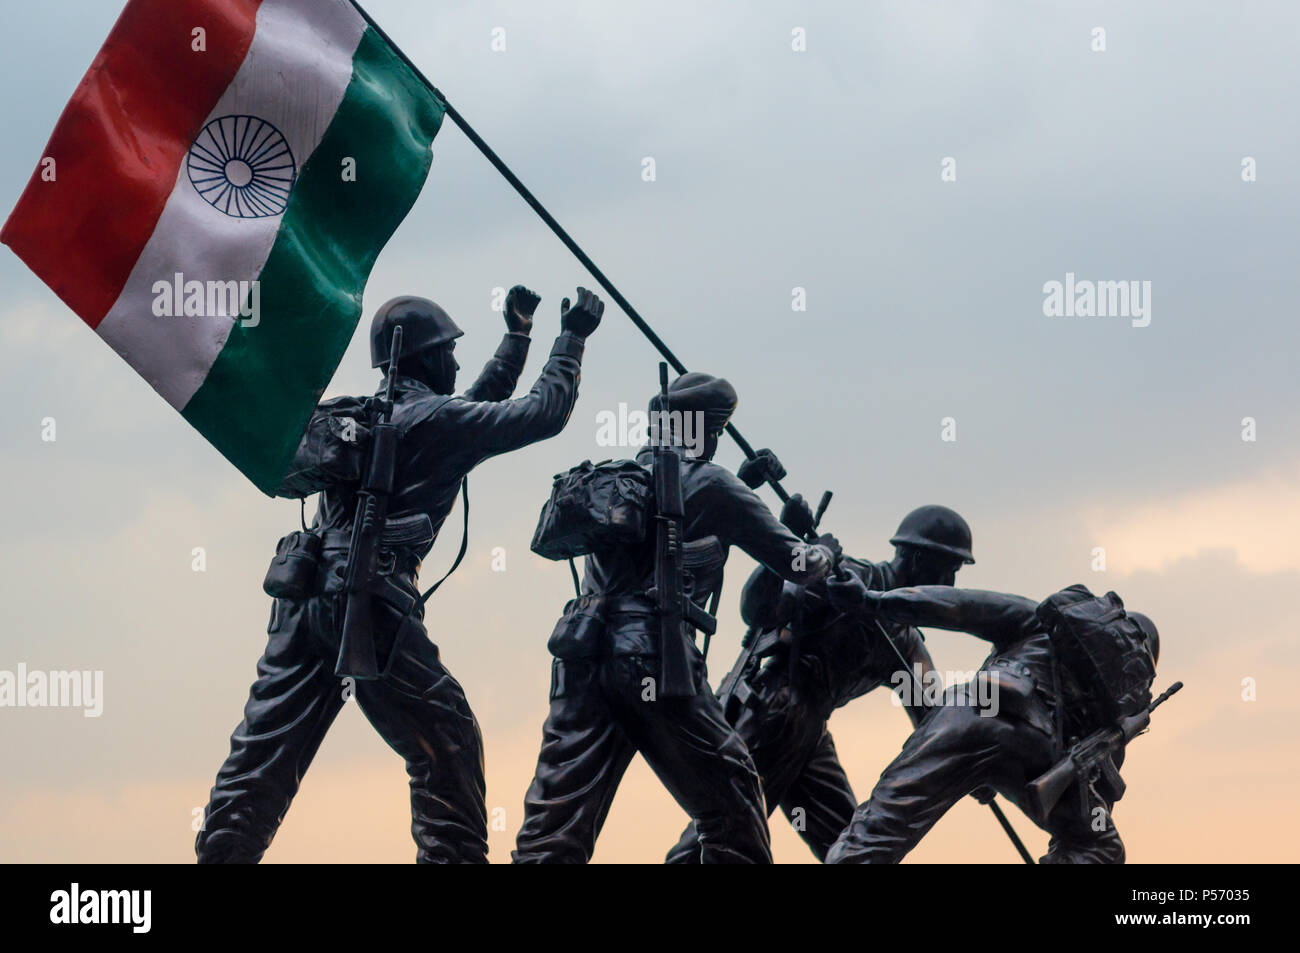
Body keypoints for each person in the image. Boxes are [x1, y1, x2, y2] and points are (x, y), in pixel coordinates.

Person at [196, 286, 604, 863]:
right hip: (371, 599)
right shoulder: (438, 420)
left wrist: (518, 338)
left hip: (305, 598)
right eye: (450, 351)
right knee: (448, 744)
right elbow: (542, 414)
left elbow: (477, 403)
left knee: (262, 756)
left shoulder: (365, 415)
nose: (457, 362)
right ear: (428, 358)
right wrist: (574, 339)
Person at [513, 372, 840, 863]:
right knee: (733, 799)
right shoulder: (714, 484)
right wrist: (821, 551)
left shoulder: (621, 481)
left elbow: (678, 522)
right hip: (651, 655)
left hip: (582, 655)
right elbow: (795, 563)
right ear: (707, 432)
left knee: (556, 819)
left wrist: (742, 485)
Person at [665, 505, 973, 862]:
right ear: (918, 558)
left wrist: (972, 768)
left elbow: (934, 721)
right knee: (729, 826)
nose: (950, 586)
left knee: (851, 847)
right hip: (775, 710)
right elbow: (760, 611)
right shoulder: (848, 579)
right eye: (948, 571)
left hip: (809, 731)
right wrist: (781, 549)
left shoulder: (904, 640)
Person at [822, 582, 1159, 864]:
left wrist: (874, 601)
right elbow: (1094, 808)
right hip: (1039, 751)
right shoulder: (1117, 708)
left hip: (975, 711)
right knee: (1101, 846)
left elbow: (960, 607)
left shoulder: (1050, 622)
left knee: (879, 830)